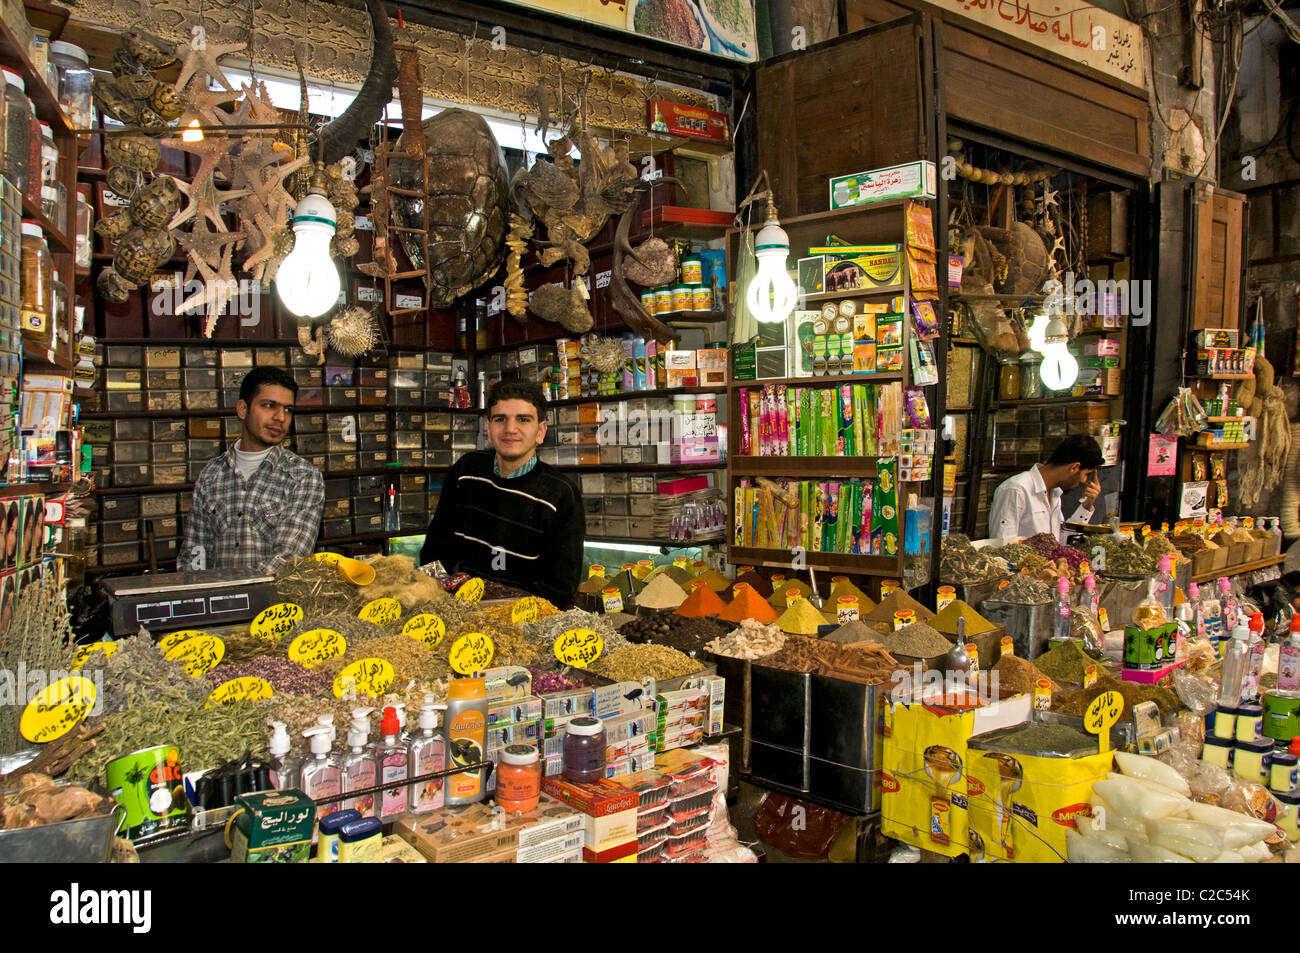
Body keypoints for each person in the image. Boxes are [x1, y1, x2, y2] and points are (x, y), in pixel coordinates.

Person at [420, 379, 584, 605]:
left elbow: (560, 587)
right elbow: (436, 548)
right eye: (500, 419)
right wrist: (435, 598)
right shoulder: (466, 472)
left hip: (523, 624)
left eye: (523, 419)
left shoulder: (560, 494)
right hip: (461, 611)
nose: (510, 429)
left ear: (541, 431)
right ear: (488, 428)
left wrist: (503, 614)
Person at [180, 367, 324, 573]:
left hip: (271, 602)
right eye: (269, 405)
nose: (280, 418)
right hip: (218, 601)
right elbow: (195, 552)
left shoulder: (302, 476)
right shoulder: (211, 475)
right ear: (243, 409)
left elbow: (289, 559)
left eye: (288, 409)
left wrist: (240, 594)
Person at [988, 434, 1103, 541]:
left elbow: (1060, 544)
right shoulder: (1016, 489)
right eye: (1087, 474)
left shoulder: (1054, 493)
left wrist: (1086, 506)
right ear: (1074, 467)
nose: (1084, 481)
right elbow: (1002, 546)